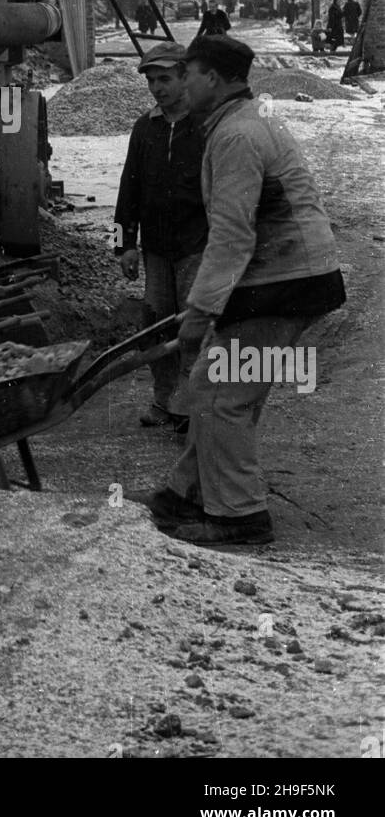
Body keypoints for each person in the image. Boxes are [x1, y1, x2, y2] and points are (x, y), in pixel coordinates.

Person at [142, 34, 345, 546]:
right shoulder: (239, 123)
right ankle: (185, 491)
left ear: (213, 78)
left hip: (283, 280)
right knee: (217, 387)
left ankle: (239, 517)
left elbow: (233, 235)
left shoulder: (236, 136)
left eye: (187, 73)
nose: (180, 83)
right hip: (287, 276)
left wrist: (201, 307)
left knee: (221, 394)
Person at [113, 43, 208, 429]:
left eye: (165, 79)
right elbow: (128, 189)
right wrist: (123, 245)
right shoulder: (145, 127)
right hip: (155, 249)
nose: (157, 87)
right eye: (151, 80)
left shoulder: (205, 126)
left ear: (186, 77)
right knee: (154, 326)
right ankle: (162, 399)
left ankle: (190, 406)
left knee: (193, 328)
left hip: (196, 247)